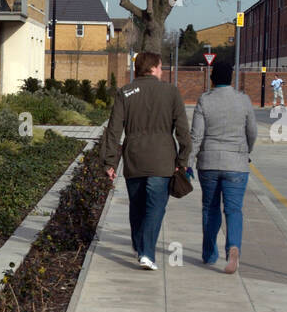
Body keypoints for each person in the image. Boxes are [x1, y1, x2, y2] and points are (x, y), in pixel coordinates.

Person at [100, 51, 191, 270]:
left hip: (134, 158)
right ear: (152, 68)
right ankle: (146, 252)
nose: (161, 70)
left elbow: (113, 130)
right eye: (160, 67)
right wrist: (183, 157)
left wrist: (110, 161)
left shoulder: (125, 92)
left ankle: (139, 243)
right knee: (155, 207)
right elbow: (182, 130)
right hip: (162, 159)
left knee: (137, 205)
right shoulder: (171, 92)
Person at [188, 64, 257, 274]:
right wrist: (246, 151)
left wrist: (188, 162)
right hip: (236, 164)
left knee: (210, 208)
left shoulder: (205, 100)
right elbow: (252, 131)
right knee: (233, 209)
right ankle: (233, 247)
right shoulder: (243, 100)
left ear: (212, 79)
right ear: (231, 78)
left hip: (209, 163)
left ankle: (209, 254)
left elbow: (196, 136)